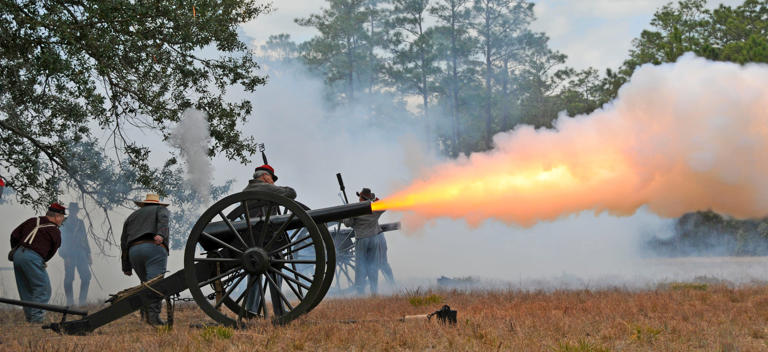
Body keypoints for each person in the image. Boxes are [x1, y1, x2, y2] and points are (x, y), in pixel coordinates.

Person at [241, 164, 296, 316]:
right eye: (271, 179)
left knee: (257, 275)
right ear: (264, 176)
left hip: (256, 239)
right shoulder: (261, 187)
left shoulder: (248, 189)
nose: (272, 182)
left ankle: (251, 310)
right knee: (273, 271)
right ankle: (277, 311)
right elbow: (291, 193)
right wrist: (275, 189)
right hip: (264, 237)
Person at [10, 203, 66, 323]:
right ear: (57, 217)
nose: (62, 221)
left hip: (18, 256)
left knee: (26, 290)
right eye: (62, 218)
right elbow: (52, 250)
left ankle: (30, 320)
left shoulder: (32, 221)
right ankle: (36, 321)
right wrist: (41, 260)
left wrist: (18, 252)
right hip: (33, 257)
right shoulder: (54, 230)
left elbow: (14, 235)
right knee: (43, 288)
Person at [120, 194, 170, 326]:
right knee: (154, 285)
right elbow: (163, 220)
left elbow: (123, 242)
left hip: (134, 252)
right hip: (153, 248)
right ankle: (153, 318)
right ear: (157, 203)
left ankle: (144, 315)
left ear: (144, 204)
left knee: (145, 284)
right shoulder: (161, 210)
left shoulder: (132, 217)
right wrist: (160, 234)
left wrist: (126, 266)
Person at [343, 188, 394, 295]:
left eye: (360, 197)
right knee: (373, 265)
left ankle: (360, 291)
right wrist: (374, 199)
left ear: (361, 198)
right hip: (374, 239)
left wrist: (347, 212)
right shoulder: (374, 209)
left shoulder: (355, 210)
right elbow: (384, 205)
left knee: (360, 266)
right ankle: (374, 291)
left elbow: (347, 223)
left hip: (362, 239)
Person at [58, 202, 91, 306]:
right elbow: (60, 240)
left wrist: (88, 254)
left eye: (75, 210)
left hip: (81, 253)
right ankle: (70, 302)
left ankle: (82, 302)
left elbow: (84, 238)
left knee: (86, 276)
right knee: (69, 278)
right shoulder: (63, 223)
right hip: (69, 253)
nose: (74, 211)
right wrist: (64, 255)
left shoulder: (80, 223)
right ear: (70, 211)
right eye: (72, 210)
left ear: (77, 211)